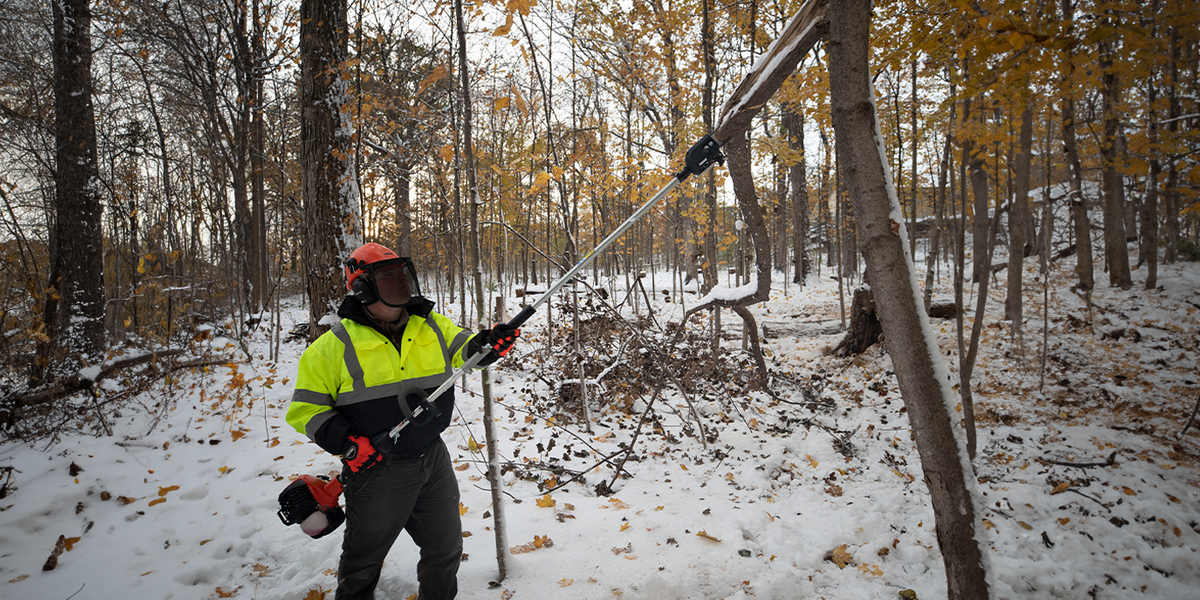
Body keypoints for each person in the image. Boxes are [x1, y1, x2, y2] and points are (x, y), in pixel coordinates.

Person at [286, 242, 519, 600]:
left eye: (401, 272)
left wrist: (490, 343)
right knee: (362, 565)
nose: (400, 281)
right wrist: (349, 444)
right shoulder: (331, 348)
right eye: (387, 275)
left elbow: (468, 349)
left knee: (445, 550)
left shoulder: (431, 325)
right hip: (378, 469)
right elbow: (305, 411)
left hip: (432, 457)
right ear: (363, 286)